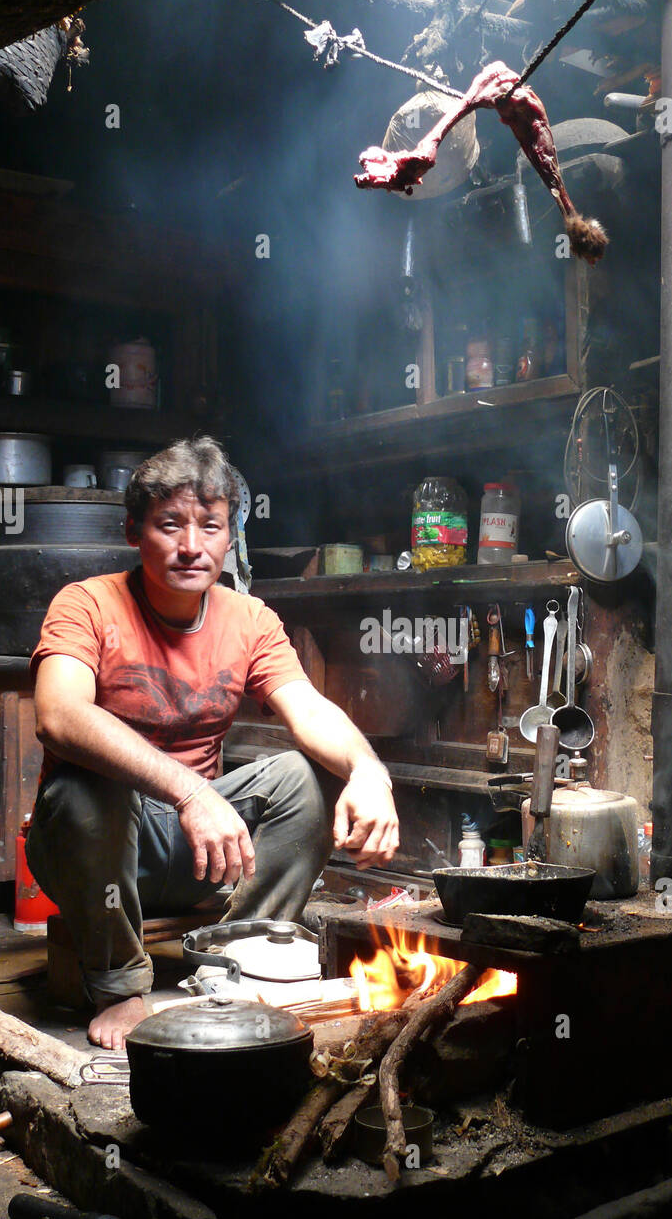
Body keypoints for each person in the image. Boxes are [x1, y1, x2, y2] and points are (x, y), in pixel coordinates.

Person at [26, 437, 399, 1050]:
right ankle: (120, 987)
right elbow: (59, 716)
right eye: (170, 524)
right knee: (84, 785)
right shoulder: (87, 603)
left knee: (305, 776)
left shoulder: (248, 618)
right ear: (133, 532)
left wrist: (369, 771)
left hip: (199, 855)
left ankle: (240, 959)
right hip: (95, 850)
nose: (192, 546)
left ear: (231, 539)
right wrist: (191, 790)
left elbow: (306, 708)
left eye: (211, 526)